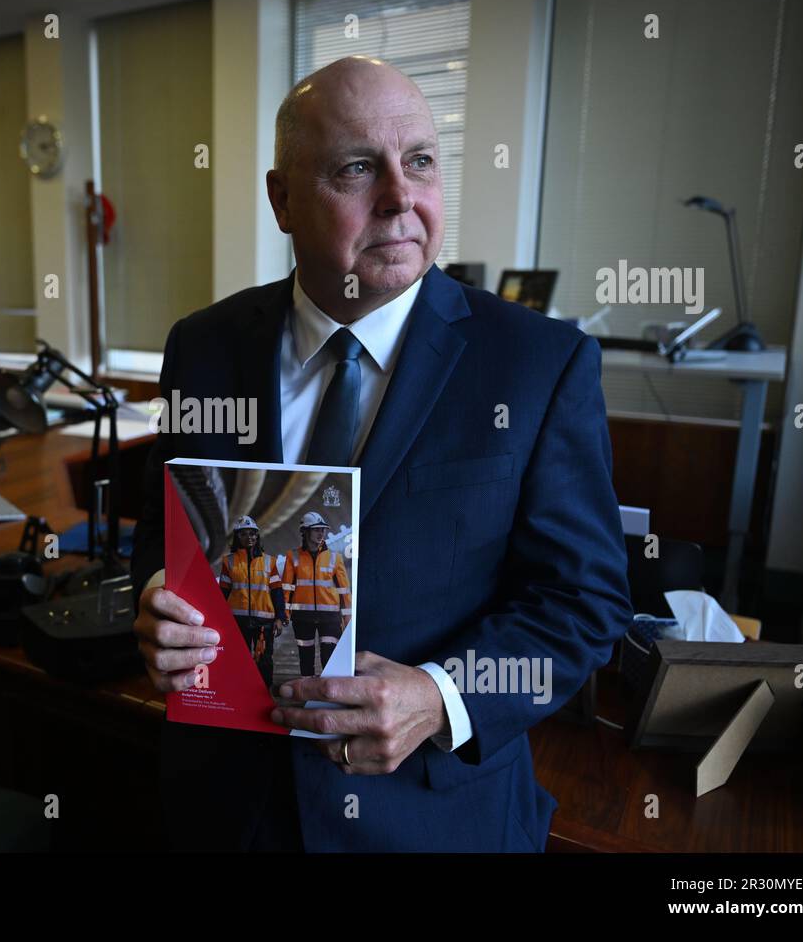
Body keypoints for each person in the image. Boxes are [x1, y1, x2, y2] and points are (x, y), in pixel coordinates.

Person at [131, 56, 632, 851]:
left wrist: (440, 696)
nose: (401, 198)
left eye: (422, 162)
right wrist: (157, 598)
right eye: (358, 168)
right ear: (282, 199)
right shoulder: (203, 347)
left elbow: (585, 604)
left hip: (431, 818)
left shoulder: (538, 364)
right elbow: (164, 531)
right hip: (228, 808)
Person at [218, 516, 285, 688]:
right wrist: (217, 618)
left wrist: (279, 617)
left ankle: (264, 692)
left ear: (257, 536)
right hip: (237, 620)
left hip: (264, 621)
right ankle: (240, 691)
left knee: (264, 659)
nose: (249, 537)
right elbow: (223, 592)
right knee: (239, 659)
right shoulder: (229, 561)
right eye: (244, 534)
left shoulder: (270, 561)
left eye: (253, 534)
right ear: (237, 537)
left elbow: (277, 591)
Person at [280, 512, 351, 677]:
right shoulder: (293, 556)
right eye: (317, 530)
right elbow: (287, 588)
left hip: (330, 617)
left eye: (323, 530)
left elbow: (344, 590)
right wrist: (285, 613)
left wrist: (347, 617)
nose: (321, 533)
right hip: (303, 617)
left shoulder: (335, 557)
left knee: (329, 655)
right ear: (305, 531)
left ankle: (328, 693)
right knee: (306, 657)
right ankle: (306, 692)